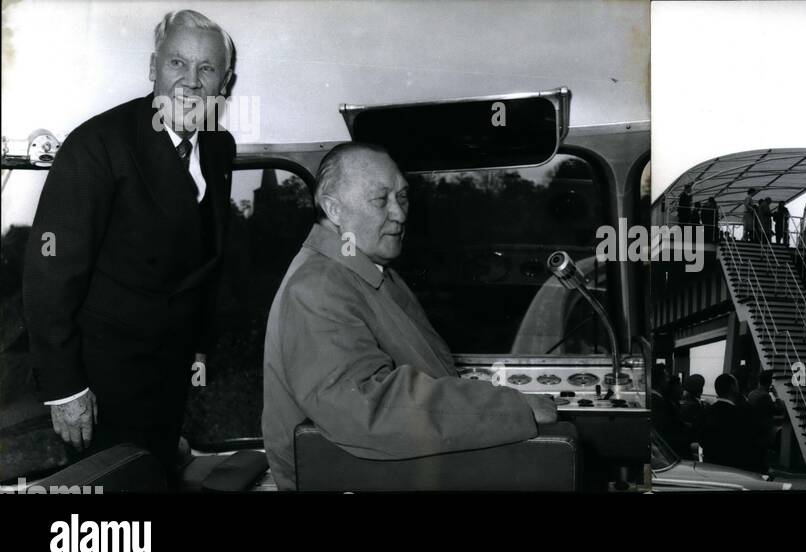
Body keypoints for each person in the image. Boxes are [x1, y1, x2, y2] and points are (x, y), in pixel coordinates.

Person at [261, 143, 556, 490]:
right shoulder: (319, 287)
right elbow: (368, 408)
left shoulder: (365, 270)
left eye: (402, 198)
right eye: (380, 200)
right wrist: (513, 408)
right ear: (333, 209)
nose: (399, 214)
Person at [23, 10, 238, 484]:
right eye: (177, 64)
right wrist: (65, 388)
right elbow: (48, 272)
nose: (191, 83)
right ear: (152, 68)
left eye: (207, 69)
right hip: (102, 378)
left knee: (155, 478)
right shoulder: (98, 145)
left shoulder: (220, 148)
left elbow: (208, 258)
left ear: (226, 82)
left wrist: (199, 346)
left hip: (172, 367)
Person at [698, 373, 765, 472]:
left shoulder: (706, 412)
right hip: (737, 468)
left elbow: (701, 439)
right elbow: (752, 442)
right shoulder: (742, 414)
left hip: (711, 466)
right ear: (732, 387)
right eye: (736, 384)